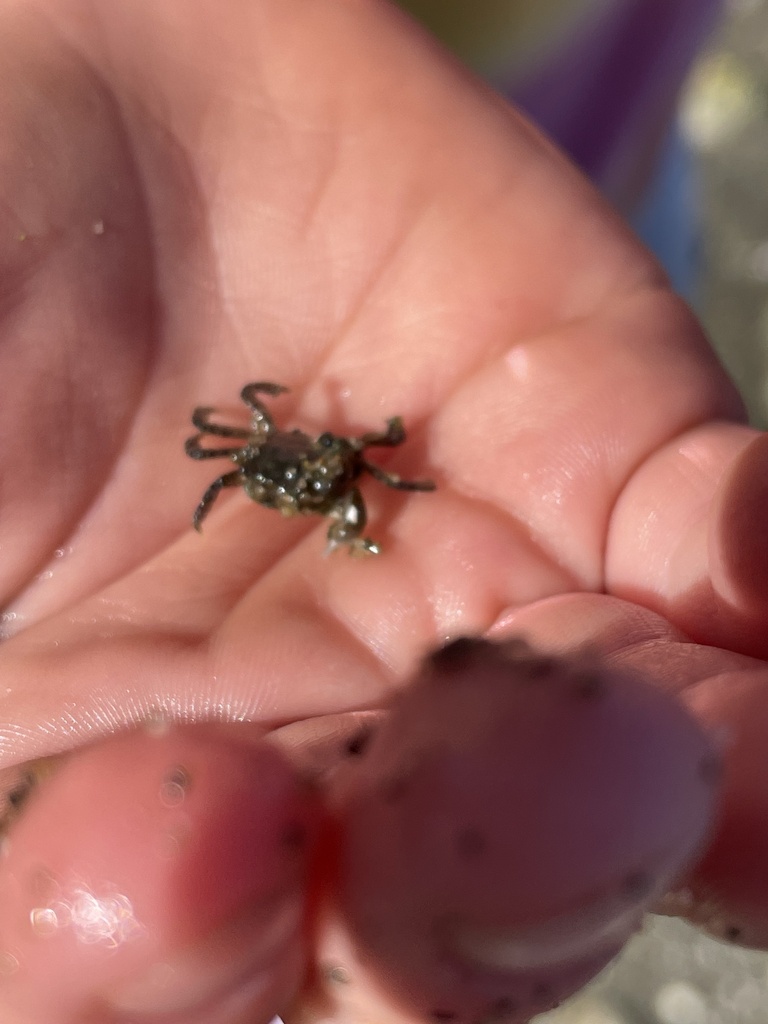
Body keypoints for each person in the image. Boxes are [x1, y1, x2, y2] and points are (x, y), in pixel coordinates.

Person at [0, 0, 766, 1021]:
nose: (320, 486)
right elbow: (231, 446)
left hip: (591, 131)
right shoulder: (252, 451)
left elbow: (352, 467)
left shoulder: (336, 461)